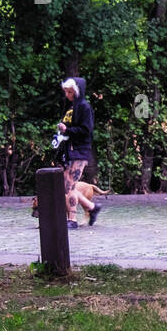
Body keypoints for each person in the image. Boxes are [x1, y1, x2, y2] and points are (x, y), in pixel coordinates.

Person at [57, 76, 101, 229]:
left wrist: (67, 130)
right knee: (69, 186)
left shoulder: (84, 107)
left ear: (76, 91)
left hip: (80, 150)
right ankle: (92, 207)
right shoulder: (71, 107)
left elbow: (86, 130)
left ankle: (72, 219)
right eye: (66, 92)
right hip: (69, 149)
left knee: (68, 186)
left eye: (69, 92)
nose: (67, 95)